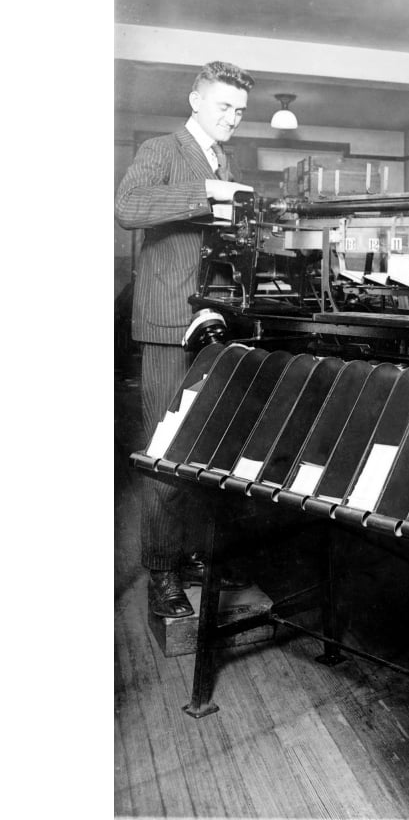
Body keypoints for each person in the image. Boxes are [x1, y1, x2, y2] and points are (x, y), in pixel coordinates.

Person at [116, 61, 256, 618]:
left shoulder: (224, 158)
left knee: (201, 447)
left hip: (211, 324)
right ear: (195, 100)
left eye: (240, 111)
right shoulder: (162, 149)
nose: (232, 118)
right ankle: (161, 573)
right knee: (162, 452)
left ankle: (190, 554)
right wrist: (207, 192)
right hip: (168, 324)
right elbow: (127, 209)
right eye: (223, 106)